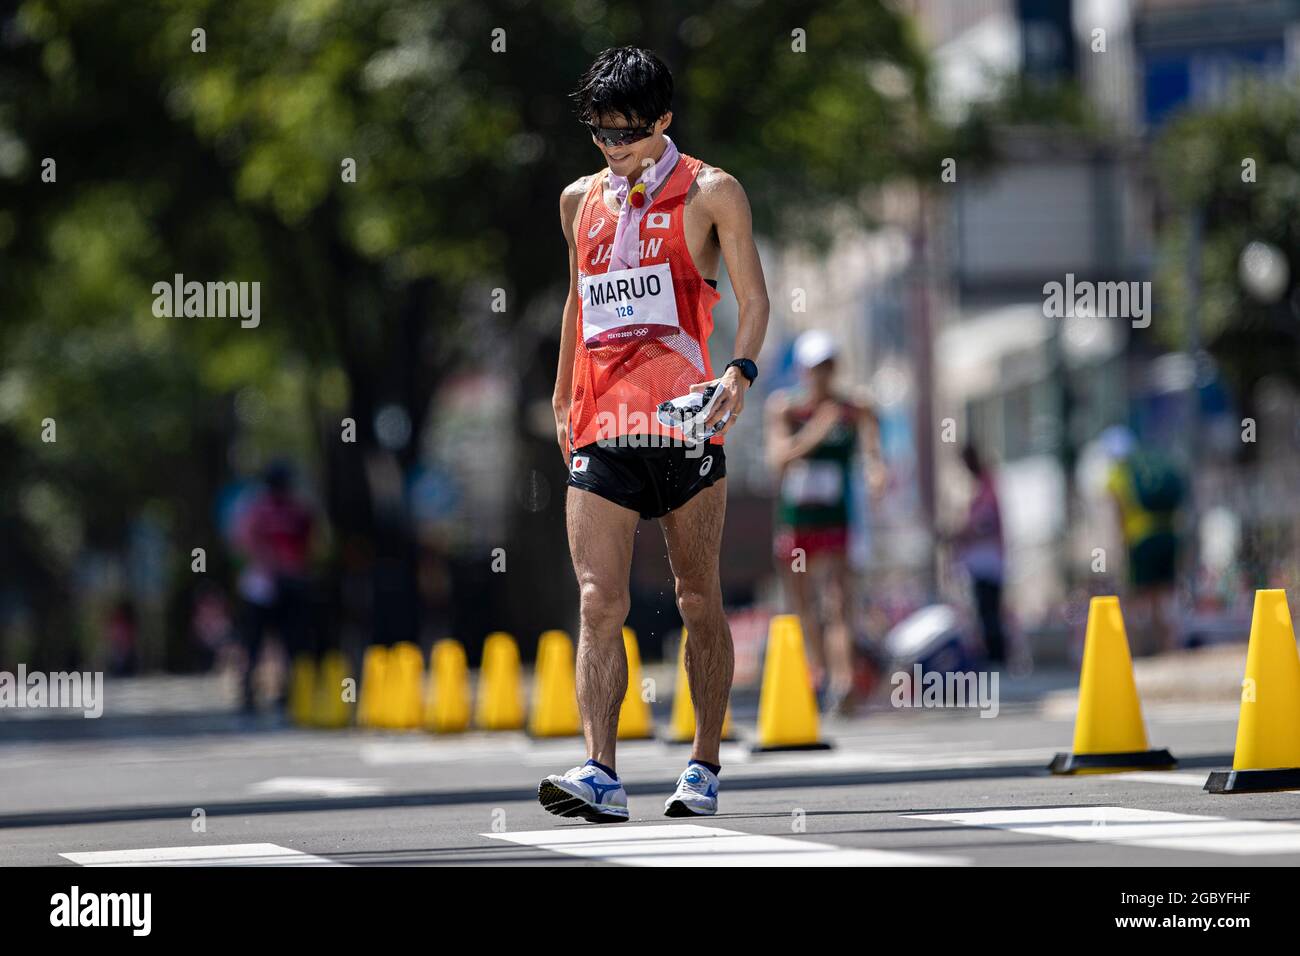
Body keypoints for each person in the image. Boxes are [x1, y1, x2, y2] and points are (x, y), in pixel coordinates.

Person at [543, 46, 769, 823]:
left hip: (684, 420)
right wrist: (560, 394)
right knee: (599, 599)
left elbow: (754, 297)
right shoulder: (579, 201)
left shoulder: (713, 191)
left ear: (663, 121)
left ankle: (703, 763)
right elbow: (578, 303)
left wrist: (739, 371)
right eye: (601, 134)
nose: (614, 149)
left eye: (629, 135)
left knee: (697, 598)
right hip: (603, 422)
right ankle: (600, 771)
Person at [765, 330, 885, 713]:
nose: (823, 375)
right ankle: (816, 674)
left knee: (838, 603)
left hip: (837, 521)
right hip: (798, 522)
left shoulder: (855, 409)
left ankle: (843, 680)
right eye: (816, 368)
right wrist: (817, 431)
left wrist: (875, 472)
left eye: (829, 366)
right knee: (804, 605)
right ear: (803, 371)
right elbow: (779, 458)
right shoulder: (786, 409)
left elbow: (871, 451)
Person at [233, 461, 315, 713]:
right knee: (254, 641)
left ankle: (290, 691)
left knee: (291, 641)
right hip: (262, 586)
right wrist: (269, 562)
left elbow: (310, 541)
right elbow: (244, 540)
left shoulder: (297, 510)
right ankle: (249, 691)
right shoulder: (257, 510)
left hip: (291, 583)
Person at [1102, 425, 1184, 654]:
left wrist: (1119, 543)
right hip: (1167, 534)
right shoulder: (1148, 467)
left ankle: (1137, 650)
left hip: (1141, 539)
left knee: (1139, 598)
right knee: (1164, 596)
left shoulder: (1119, 473)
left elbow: (1117, 511)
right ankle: (1169, 646)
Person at [952, 443, 1007, 664]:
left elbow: (986, 523)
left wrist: (963, 533)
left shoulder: (986, 486)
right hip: (978, 561)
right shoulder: (976, 486)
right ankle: (990, 652)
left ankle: (996, 655)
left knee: (990, 608)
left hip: (988, 560)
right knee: (983, 608)